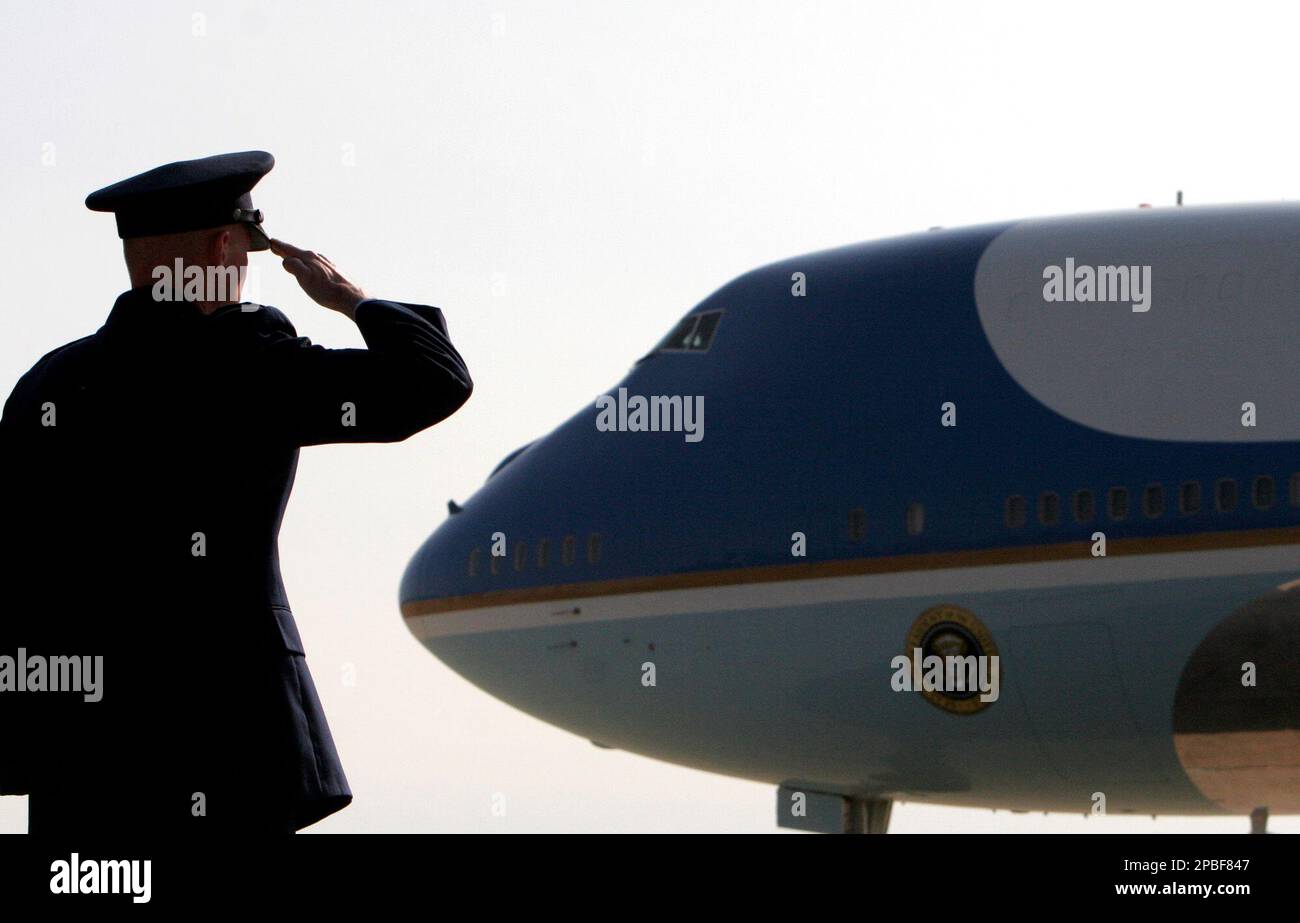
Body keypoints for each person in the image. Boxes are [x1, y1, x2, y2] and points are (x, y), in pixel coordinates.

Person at [0, 150, 472, 833]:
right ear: (224, 244)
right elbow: (434, 380)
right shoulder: (254, 363)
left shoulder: (49, 384)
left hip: (84, 751)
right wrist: (351, 298)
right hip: (232, 741)